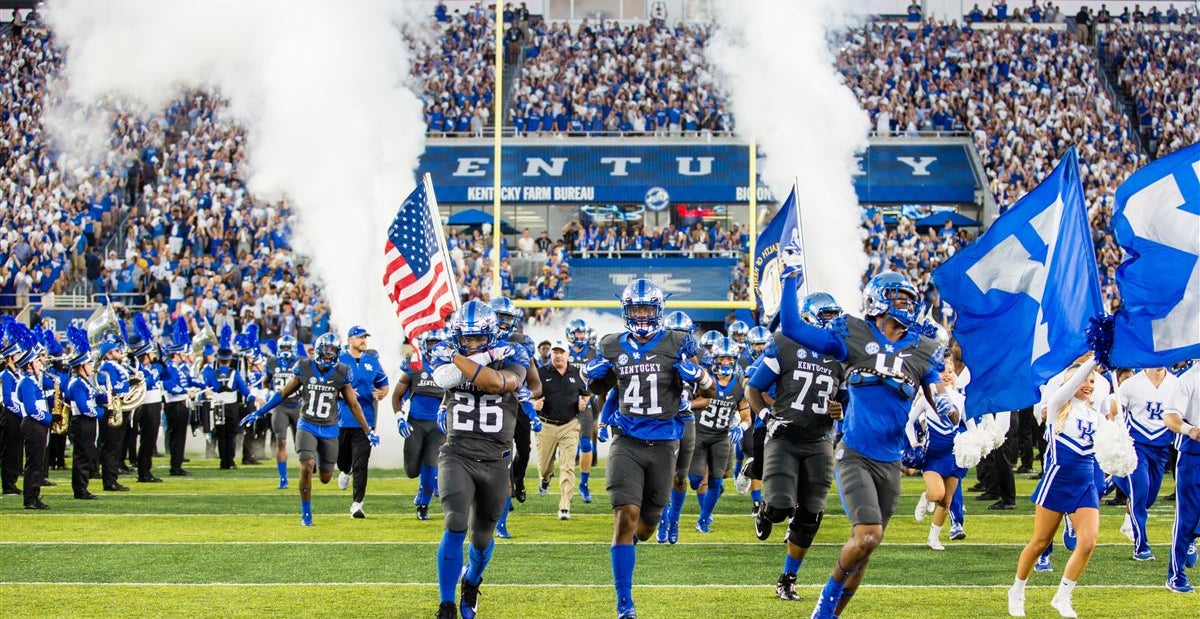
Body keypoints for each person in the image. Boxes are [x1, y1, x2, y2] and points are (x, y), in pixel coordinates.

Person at [776, 268, 945, 619]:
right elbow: (792, 328)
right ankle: (824, 605)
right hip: (855, 454)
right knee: (867, 536)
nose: (906, 305)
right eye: (900, 297)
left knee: (865, 552)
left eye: (910, 299)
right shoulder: (851, 332)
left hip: (890, 461)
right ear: (879, 300)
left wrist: (952, 404)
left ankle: (833, 615)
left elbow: (941, 397)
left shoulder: (923, 348)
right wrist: (789, 279)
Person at [582, 278, 714, 619]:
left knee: (645, 527)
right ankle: (624, 602)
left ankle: (629, 547)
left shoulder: (678, 342)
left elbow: (710, 390)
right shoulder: (612, 345)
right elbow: (603, 387)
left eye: (646, 309)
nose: (641, 315)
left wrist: (698, 375)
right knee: (625, 516)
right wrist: (589, 377)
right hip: (627, 441)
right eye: (636, 309)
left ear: (658, 310)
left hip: (665, 442)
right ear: (626, 311)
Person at [425, 301, 533, 619]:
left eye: (477, 338)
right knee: (455, 522)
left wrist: (470, 360)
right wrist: (480, 357)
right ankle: (446, 604)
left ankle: (471, 580)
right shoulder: (444, 351)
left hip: (497, 460)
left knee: (483, 539)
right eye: (466, 338)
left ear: (491, 334)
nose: (471, 343)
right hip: (457, 454)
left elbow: (498, 383)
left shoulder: (514, 351)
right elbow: (444, 378)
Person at [747, 291, 846, 601]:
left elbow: (845, 400)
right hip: (785, 437)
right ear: (808, 318)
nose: (833, 323)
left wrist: (841, 410)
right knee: (779, 507)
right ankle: (764, 511)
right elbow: (753, 387)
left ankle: (788, 578)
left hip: (819, 441)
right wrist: (766, 415)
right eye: (827, 316)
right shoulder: (786, 344)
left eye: (835, 316)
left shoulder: (841, 356)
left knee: (811, 514)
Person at [241, 332, 379, 526]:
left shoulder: (341, 371)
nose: (330, 354)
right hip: (307, 424)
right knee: (306, 466)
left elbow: (353, 404)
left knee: (325, 477)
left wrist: (368, 430)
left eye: (334, 351)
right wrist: (260, 411)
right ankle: (306, 514)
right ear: (319, 350)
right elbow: (282, 393)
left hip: (330, 428)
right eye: (327, 350)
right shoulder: (304, 367)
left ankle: (322, 461)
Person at [1009, 355, 1103, 618]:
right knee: (1040, 542)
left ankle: (1063, 596)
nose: (1088, 384)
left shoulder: (1095, 415)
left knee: (1088, 542)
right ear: (1072, 382)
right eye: (1085, 380)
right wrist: (1095, 357)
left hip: (1085, 483)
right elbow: (1073, 383)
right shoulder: (1057, 405)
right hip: (1057, 482)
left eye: (1093, 381)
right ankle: (1017, 591)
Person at [1113, 367, 1183, 561]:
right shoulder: (1131, 384)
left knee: (1148, 499)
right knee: (1140, 492)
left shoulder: (1176, 384)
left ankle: (1116, 480)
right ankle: (1141, 544)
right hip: (1137, 446)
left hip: (1161, 448)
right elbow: (1113, 408)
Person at [689, 337, 749, 533]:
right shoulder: (705, 378)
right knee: (695, 479)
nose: (726, 362)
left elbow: (746, 414)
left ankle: (703, 519)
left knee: (717, 479)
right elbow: (691, 398)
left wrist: (742, 427)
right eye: (722, 358)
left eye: (730, 358)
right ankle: (705, 503)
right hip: (699, 433)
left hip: (721, 436)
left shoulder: (740, 382)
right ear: (714, 358)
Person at [394, 328, 449, 521]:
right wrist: (399, 417)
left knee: (431, 465)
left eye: (438, 344)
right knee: (411, 470)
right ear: (424, 345)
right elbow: (397, 396)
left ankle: (423, 503)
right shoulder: (415, 365)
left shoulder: (451, 368)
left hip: (438, 426)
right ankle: (423, 487)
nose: (434, 348)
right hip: (415, 424)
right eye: (431, 344)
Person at [335, 326, 389, 519]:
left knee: (361, 463)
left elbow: (385, 385)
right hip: (343, 419)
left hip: (366, 421)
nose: (363, 340)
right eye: (360, 337)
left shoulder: (372, 361)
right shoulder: (340, 360)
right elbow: (330, 386)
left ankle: (357, 504)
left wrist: (382, 393)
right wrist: (343, 394)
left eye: (365, 337)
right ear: (350, 340)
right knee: (342, 460)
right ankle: (344, 469)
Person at [911, 363, 966, 550]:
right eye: (942, 371)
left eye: (950, 372)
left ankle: (933, 538)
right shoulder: (927, 397)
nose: (947, 375)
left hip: (953, 455)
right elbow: (909, 422)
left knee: (946, 500)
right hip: (932, 455)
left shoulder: (961, 399)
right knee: (936, 493)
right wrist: (914, 443)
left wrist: (975, 442)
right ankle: (926, 498)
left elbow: (969, 425)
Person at [656, 310, 700, 545]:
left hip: (686, 419)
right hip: (664, 420)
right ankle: (663, 519)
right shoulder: (658, 355)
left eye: (685, 334)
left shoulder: (697, 359)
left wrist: (689, 400)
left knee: (681, 477)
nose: (681, 338)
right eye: (677, 333)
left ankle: (674, 520)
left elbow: (709, 394)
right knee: (664, 475)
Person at [534, 340, 589, 520]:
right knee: (543, 467)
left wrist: (583, 403)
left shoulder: (577, 373)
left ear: (567, 355)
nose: (558, 355)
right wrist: (535, 403)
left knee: (568, 466)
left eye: (561, 352)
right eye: (555, 352)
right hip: (546, 424)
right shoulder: (541, 373)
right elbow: (527, 394)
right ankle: (545, 479)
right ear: (551, 354)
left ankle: (565, 506)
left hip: (569, 425)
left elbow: (586, 394)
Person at [1165, 361, 1200, 593]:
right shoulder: (1188, 379)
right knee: (1187, 516)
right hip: (1194, 455)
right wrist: (1190, 430)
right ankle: (1176, 574)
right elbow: (1169, 417)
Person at [203, 326, 253, 470]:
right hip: (231, 407)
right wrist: (251, 398)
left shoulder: (212, 373)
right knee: (230, 435)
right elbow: (244, 391)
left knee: (220, 434)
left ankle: (222, 461)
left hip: (218, 406)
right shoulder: (235, 374)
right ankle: (229, 461)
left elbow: (208, 389)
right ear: (230, 360)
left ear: (218, 360)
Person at [11, 324, 50, 509]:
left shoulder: (33, 380)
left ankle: (34, 496)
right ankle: (30, 499)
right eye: (36, 361)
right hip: (33, 423)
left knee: (38, 462)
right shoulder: (26, 382)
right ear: (29, 364)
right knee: (34, 462)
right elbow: (32, 409)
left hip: (37, 423)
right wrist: (49, 418)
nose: (39, 364)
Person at [64, 326, 103, 500]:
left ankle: (83, 487)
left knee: (87, 454)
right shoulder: (76, 384)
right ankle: (80, 490)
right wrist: (102, 413)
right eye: (88, 363)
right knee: (82, 456)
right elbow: (84, 407)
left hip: (88, 422)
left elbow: (93, 399)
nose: (91, 366)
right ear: (80, 366)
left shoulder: (85, 382)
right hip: (82, 422)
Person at [95, 335, 134, 492]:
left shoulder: (117, 366)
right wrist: (129, 384)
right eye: (117, 350)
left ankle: (112, 479)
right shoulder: (107, 368)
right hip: (111, 410)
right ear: (109, 354)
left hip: (119, 408)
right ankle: (109, 481)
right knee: (111, 446)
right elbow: (115, 388)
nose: (121, 352)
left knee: (116, 446)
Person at [129, 319, 164, 483]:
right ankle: (143, 472)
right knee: (147, 439)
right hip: (147, 405)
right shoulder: (138, 368)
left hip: (155, 404)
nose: (154, 356)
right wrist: (156, 370)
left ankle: (146, 470)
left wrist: (160, 364)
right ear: (145, 355)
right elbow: (146, 383)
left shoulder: (150, 366)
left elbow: (167, 374)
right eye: (151, 353)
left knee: (151, 439)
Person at [161, 317, 195, 477]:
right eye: (181, 353)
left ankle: (177, 464)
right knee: (177, 436)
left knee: (180, 436)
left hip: (180, 403)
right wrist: (185, 392)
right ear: (176, 355)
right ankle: (175, 466)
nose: (184, 356)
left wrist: (197, 387)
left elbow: (188, 381)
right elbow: (170, 387)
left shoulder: (177, 368)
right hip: (175, 404)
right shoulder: (169, 368)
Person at [267, 335, 302, 489]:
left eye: (288, 348)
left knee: (302, 444)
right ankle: (283, 479)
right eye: (284, 348)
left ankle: (308, 472)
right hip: (280, 407)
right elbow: (266, 380)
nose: (286, 351)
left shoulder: (301, 362)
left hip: (298, 405)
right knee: (281, 443)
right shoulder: (272, 362)